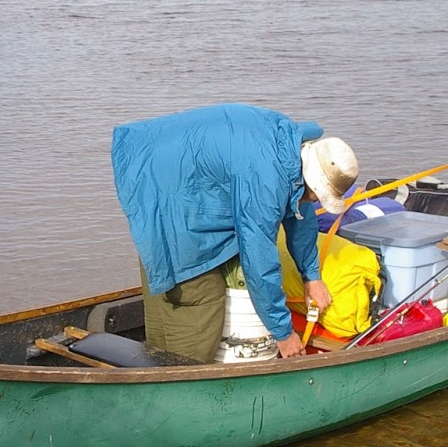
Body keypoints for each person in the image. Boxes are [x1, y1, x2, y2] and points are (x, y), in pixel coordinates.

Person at [111, 104, 359, 362]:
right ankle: (180, 377)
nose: (315, 201)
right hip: (167, 193)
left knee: (163, 288)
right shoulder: (266, 181)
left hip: (151, 166)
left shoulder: (289, 149)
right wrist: (284, 333)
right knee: (202, 296)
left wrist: (311, 275)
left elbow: (300, 210)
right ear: (313, 180)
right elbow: (259, 260)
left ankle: (154, 366)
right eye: (318, 195)